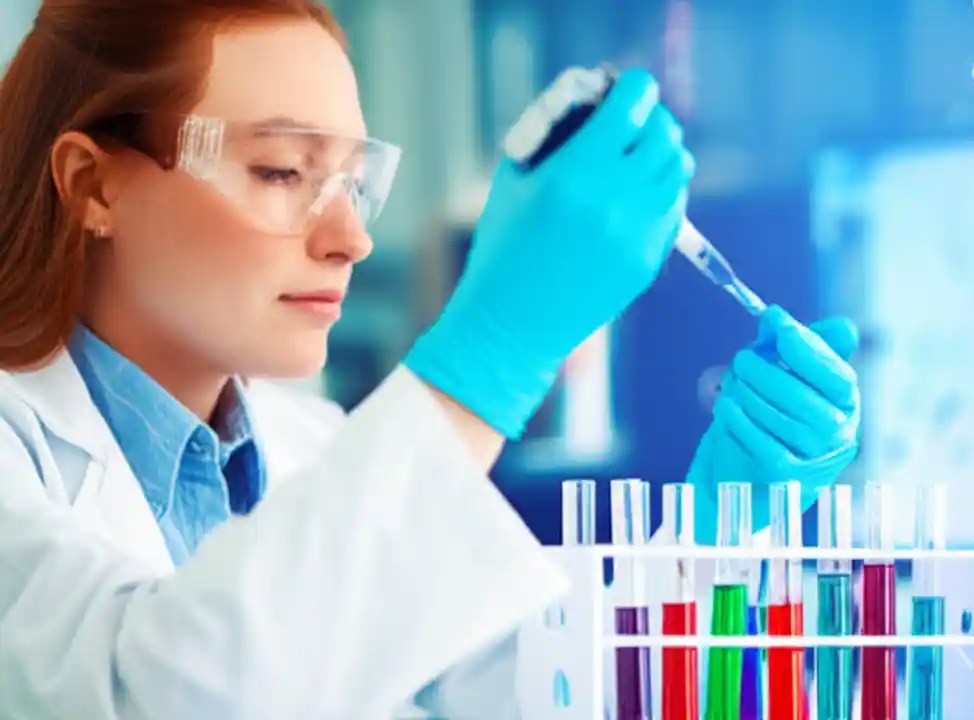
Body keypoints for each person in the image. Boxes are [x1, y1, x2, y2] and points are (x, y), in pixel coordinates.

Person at [0, 1, 862, 718]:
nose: (351, 238)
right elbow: (159, 696)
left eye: (352, 182)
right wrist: (491, 354)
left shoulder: (316, 450)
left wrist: (713, 535)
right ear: (92, 185)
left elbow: (531, 694)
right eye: (279, 171)